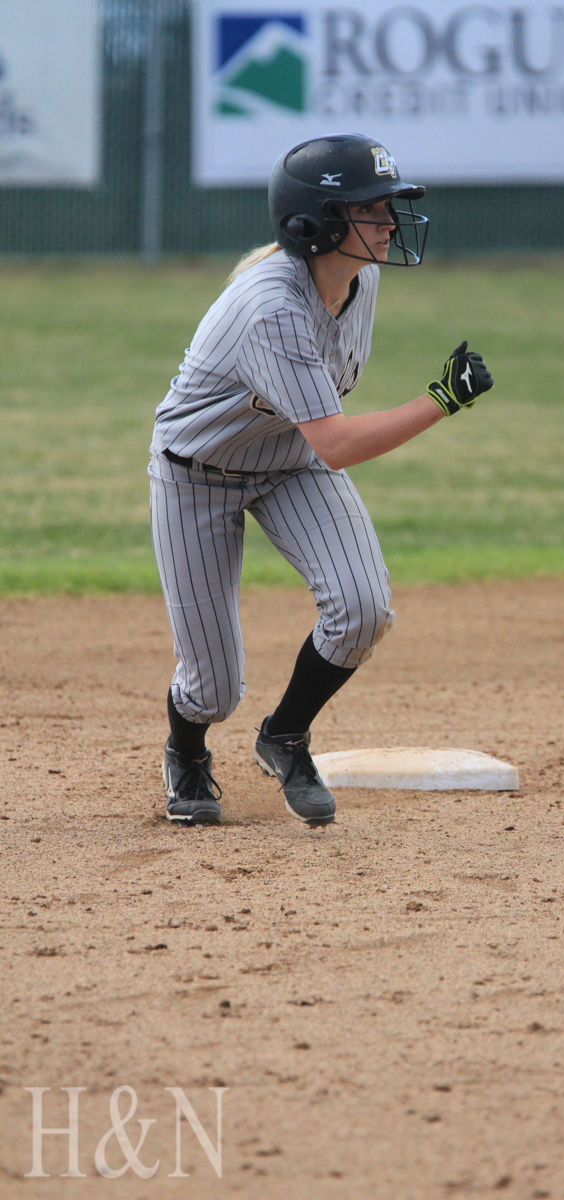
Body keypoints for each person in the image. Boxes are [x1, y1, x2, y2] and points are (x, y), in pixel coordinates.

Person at [148, 132, 494, 827]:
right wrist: (441, 400)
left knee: (363, 607)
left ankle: (285, 737)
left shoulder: (360, 279)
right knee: (213, 690)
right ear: (318, 225)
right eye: (372, 210)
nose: (389, 222)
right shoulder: (271, 307)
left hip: (287, 463)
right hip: (197, 475)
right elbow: (334, 442)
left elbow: (314, 437)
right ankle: (186, 750)